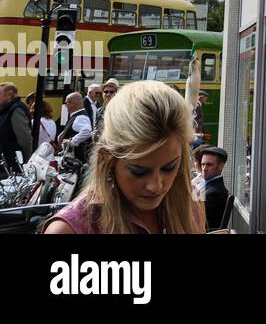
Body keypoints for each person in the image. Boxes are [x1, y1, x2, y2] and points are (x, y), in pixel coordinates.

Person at [42, 80, 204, 234]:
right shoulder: (69, 230)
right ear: (108, 158)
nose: (155, 186)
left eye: (168, 168)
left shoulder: (191, 206)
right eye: (139, 171)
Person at [0, 82, 33, 171]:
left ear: (10, 95)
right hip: (7, 162)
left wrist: (26, 160)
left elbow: (24, 138)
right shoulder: (6, 109)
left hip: (13, 163)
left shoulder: (16, 109)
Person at [196, 146, 229, 232]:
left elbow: (192, 215)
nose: (204, 169)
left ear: (220, 166)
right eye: (203, 164)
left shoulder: (214, 193)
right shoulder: (208, 186)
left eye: (209, 165)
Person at [58, 92, 94, 159]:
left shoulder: (80, 117)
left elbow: (87, 131)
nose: (66, 106)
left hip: (75, 161)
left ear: (72, 104)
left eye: (66, 103)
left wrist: (72, 142)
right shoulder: (77, 116)